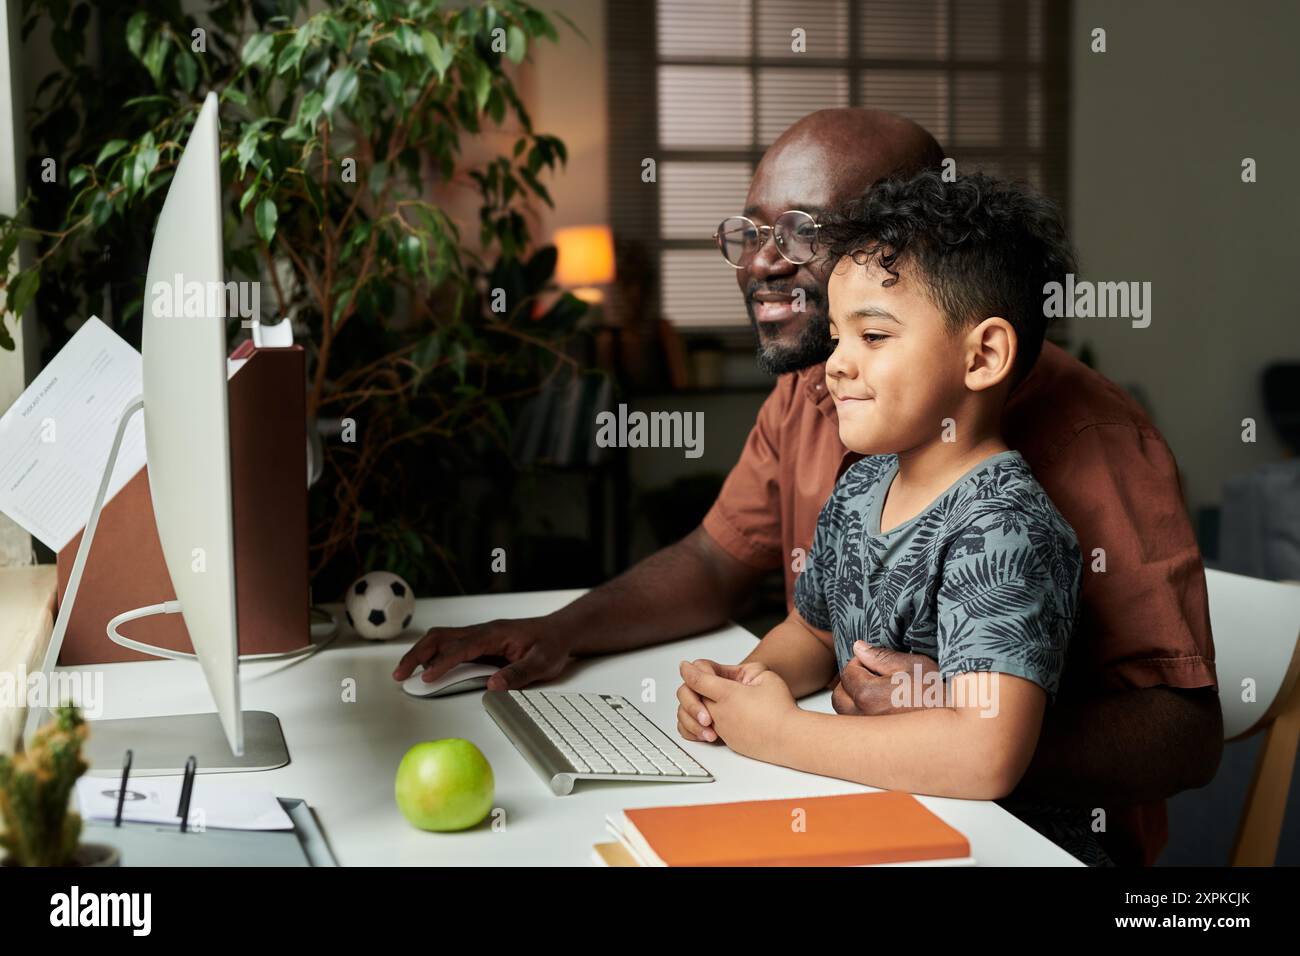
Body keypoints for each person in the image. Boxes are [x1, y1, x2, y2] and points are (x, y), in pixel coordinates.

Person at [394, 109, 1221, 866]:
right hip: (862, 790)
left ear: (904, 235)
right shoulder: (826, 390)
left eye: (797, 231)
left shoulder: (1075, 451)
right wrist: (566, 633)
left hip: (1024, 836)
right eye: (750, 230)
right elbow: (727, 565)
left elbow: (1182, 736)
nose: (758, 261)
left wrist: (923, 723)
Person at [679, 169, 1103, 862]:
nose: (834, 367)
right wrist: (744, 691)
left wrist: (779, 733)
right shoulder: (861, 487)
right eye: (837, 338)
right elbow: (812, 634)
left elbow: (984, 754)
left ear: (984, 355)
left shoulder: (1001, 523)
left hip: (997, 845)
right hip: (885, 813)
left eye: (872, 337)